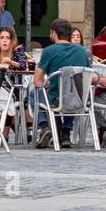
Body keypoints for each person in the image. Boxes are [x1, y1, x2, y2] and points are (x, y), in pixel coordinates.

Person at [32, 18, 92, 149]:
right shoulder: (83, 51)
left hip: (56, 99)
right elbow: (89, 76)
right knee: (72, 90)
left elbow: (37, 81)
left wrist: (49, 82)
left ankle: (45, 126)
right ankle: (65, 133)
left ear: (53, 33)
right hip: (79, 99)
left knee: (33, 93)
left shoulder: (49, 51)